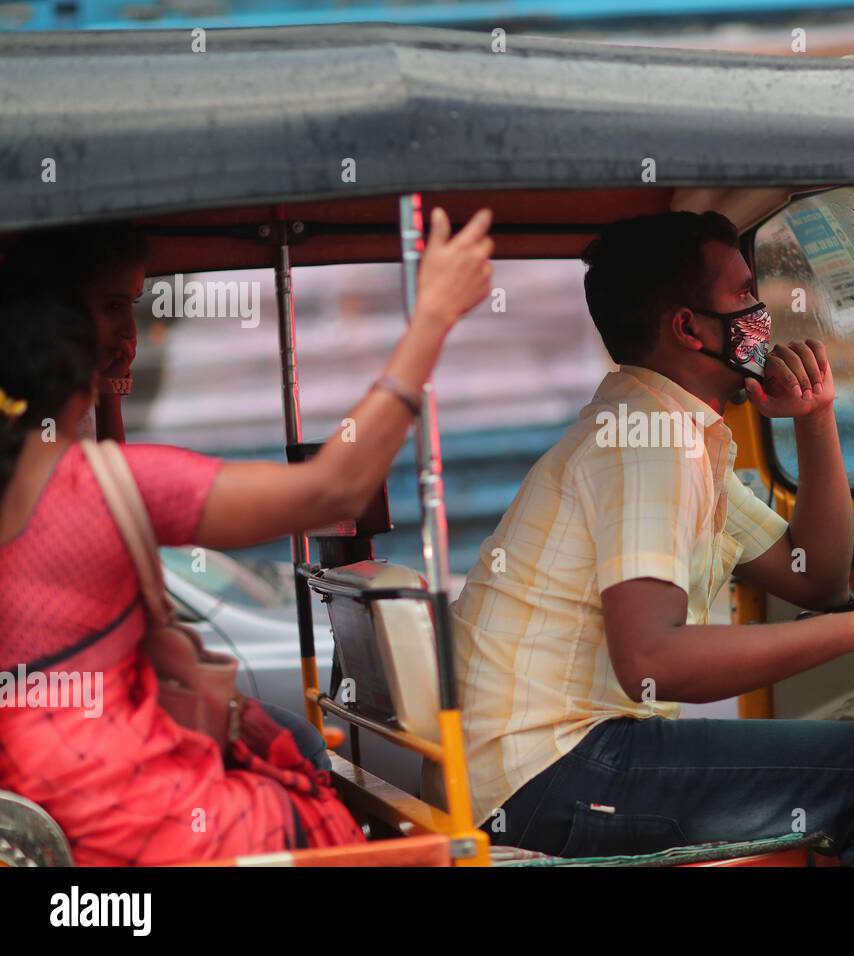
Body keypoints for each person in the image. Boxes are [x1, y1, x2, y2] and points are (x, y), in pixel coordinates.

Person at [452, 211, 854, 866]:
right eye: (743, 296)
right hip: (556, 770)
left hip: (536, 771)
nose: (761, 314)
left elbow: (815, 576)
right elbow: (653, 661)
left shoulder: (676, 435)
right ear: (687, 327)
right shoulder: (650, 446)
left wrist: (814, 416)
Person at [0, 208, 494, 865]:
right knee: (316, 815)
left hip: (44, 800)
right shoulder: (104, 486)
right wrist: (432, 318)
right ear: (61, 331)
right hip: (130, 812)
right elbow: (333, 489)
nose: (132, 335)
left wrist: (101, 386)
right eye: (114, 308)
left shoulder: (38, 471)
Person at [0, 224, 148, 443]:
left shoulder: (72, 390)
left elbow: (105, 471)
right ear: (58, 309)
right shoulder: (25, 403)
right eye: (113, 307)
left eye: (132, 304)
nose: (130, 330)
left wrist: (109, 386)